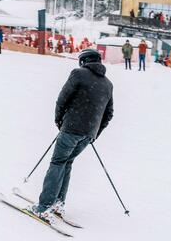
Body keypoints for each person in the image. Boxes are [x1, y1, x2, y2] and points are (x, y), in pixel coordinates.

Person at [30, 49, 114, 222]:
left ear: (84, 61)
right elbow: (109, 114)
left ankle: (44, 207)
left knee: (58, 162)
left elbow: (62, 99)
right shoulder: (108, 84)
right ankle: (58, 203)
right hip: (88, 134)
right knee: (67, 163)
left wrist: (59, 121)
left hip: (71, 129)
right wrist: (94, 133)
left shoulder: (78, 74)